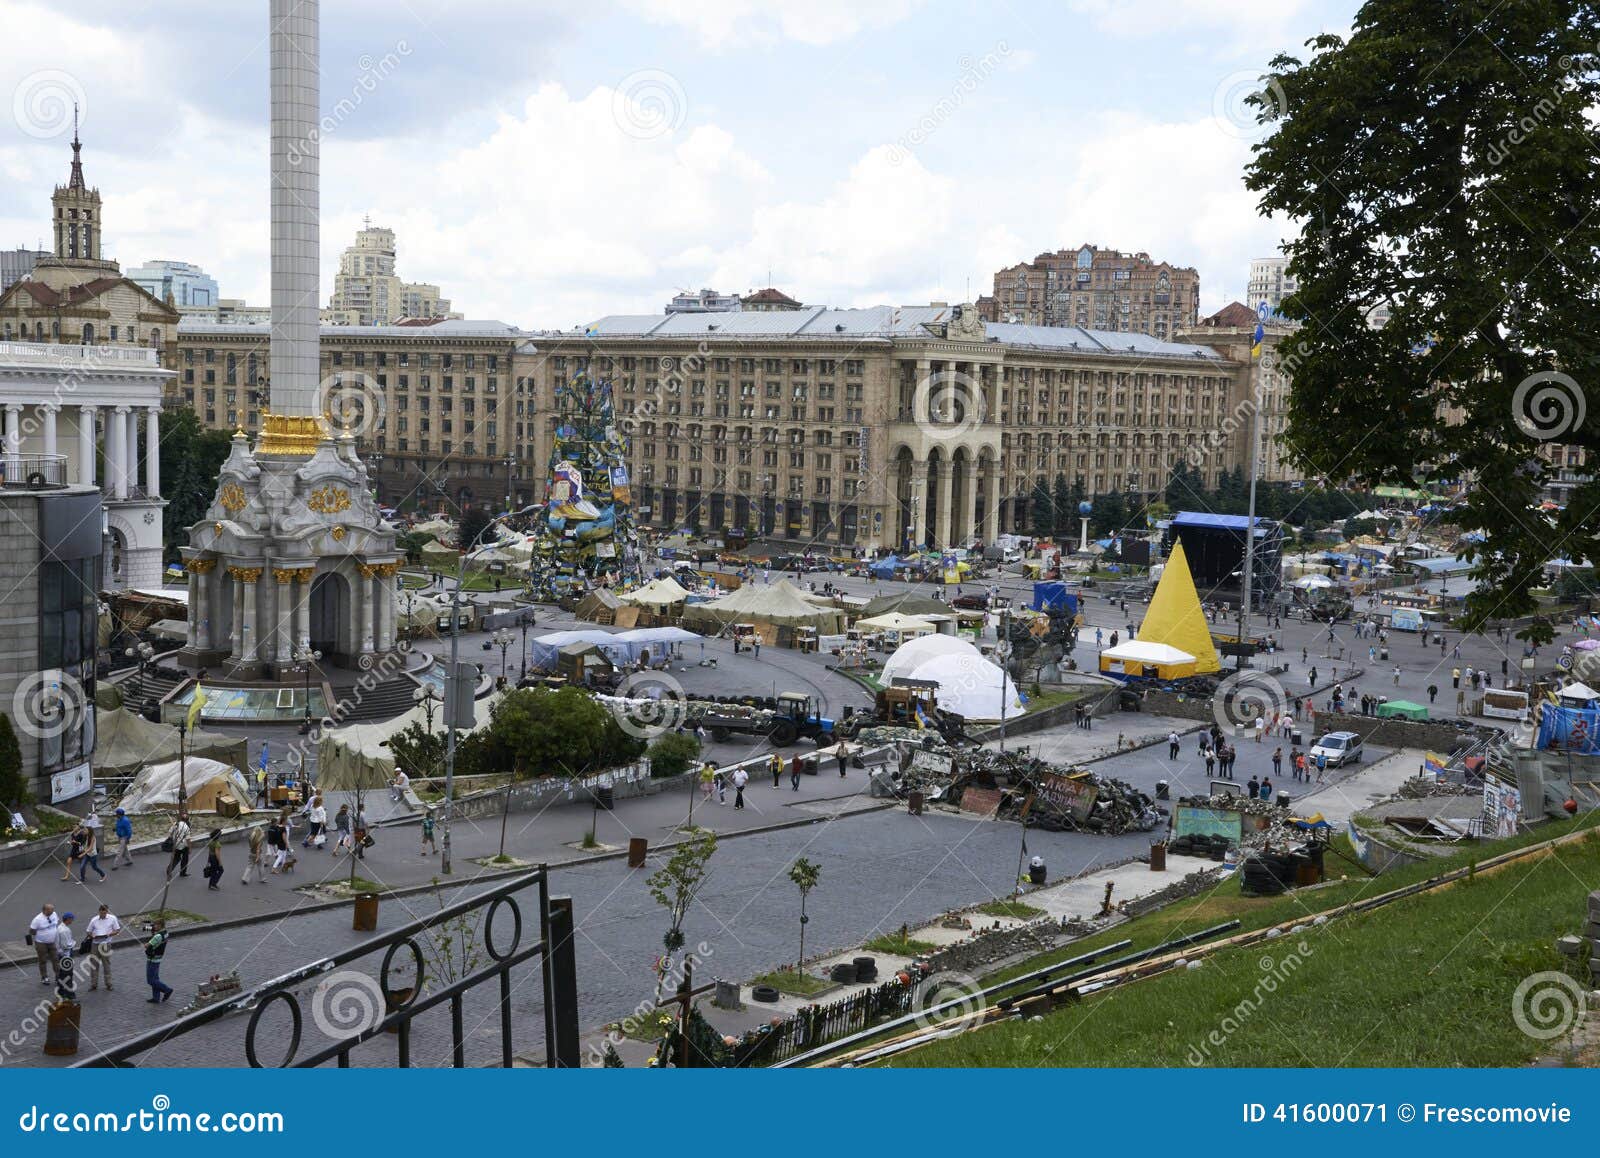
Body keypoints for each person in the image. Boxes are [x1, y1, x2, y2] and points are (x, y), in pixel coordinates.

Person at [85, 903, 121, 991]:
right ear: (99, 912)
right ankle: (93, 984)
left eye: (104, 913)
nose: (103, 915)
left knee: (106, 964)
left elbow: (117, 930)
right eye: (101, 913)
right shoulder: (94, 920)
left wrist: (109, 934)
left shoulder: (112, 918)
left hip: (106, 944)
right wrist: (92, 935)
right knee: (94, 965)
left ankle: (109, 984)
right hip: (95, 944)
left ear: (107, 912)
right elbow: (88, 931)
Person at [28, 902, 60, 985]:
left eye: (53, 909)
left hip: (52, 941)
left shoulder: (54, 914)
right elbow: (31, 931)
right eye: (50, 910)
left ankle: (58, 976)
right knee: (43, 960)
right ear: (44, 910)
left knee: (55, 959)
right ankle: (44, 977)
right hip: (41, 943)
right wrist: (42, 935)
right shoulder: (37, 919)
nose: (52, 911)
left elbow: (56, 923)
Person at [144, 919, 174, 1004]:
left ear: (160, 925)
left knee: (151, 980)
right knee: (155, 978)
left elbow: (147, 945)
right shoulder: (166, 933)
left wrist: (146, 945)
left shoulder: (158, 936)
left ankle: (167, 990)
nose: (154, 926)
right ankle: (156, 998)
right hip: (158, 958)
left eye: (156, 925)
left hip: (152, 959)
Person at [54, 912, 77, 1000]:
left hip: (61, 955)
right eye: (72, 919)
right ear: (68, 919)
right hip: (65, 956)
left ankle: (61, 991)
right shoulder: (64, 930)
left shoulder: (60, 928)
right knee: (68, 975)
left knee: (62, 974)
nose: (72, 921)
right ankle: (69, 994)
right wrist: (73, 943)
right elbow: (66, 945)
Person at [165, 812, 192, 880]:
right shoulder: (186, 827)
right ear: (187, 820)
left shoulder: (175, 824)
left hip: (175, 844)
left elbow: (170, 833)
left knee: (176, 858)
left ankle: (169, 869)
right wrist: (190, 848)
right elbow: (188, 839)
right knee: (185, 859)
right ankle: (183, 872)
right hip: (184, 845)